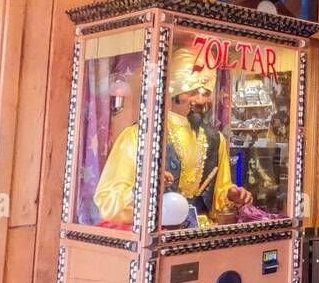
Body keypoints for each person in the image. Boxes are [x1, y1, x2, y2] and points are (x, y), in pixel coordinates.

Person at [94, 49, 253, 228]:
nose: (200, 100)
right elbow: (108, 202)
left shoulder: (215, 139)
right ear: (173, 91)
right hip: (158, 233)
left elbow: (219, 194)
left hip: (202, 233)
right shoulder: (140, 136)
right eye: (192, 92)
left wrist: (231, 195)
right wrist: (147, 186)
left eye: (205, 93)